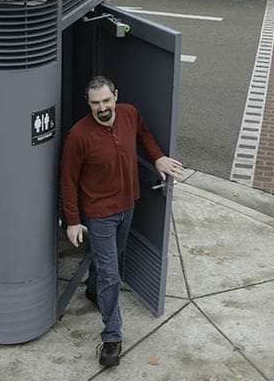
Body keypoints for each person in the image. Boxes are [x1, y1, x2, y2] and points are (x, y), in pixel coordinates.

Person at [60, 75, 186, 368]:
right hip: (99, 214)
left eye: (106, 100)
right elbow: (68, 181)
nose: (102, 108)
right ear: (88, 103)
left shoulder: (129, 114)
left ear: (115, 96)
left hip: (127, 206)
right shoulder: (79, 135)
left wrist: (157, 158)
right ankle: (112, 337)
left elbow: (143, 134)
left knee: (111, 263)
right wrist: (73, 221)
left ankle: (93, 290)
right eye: (95, 103)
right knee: (111, 274)